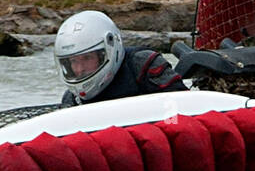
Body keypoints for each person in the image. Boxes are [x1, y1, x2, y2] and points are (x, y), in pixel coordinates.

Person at [54, 10, 187, 106]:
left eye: (87, 58)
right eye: (73, 61)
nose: (79, 69)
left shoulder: (143, 64)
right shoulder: (72, 99)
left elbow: (179, 112)